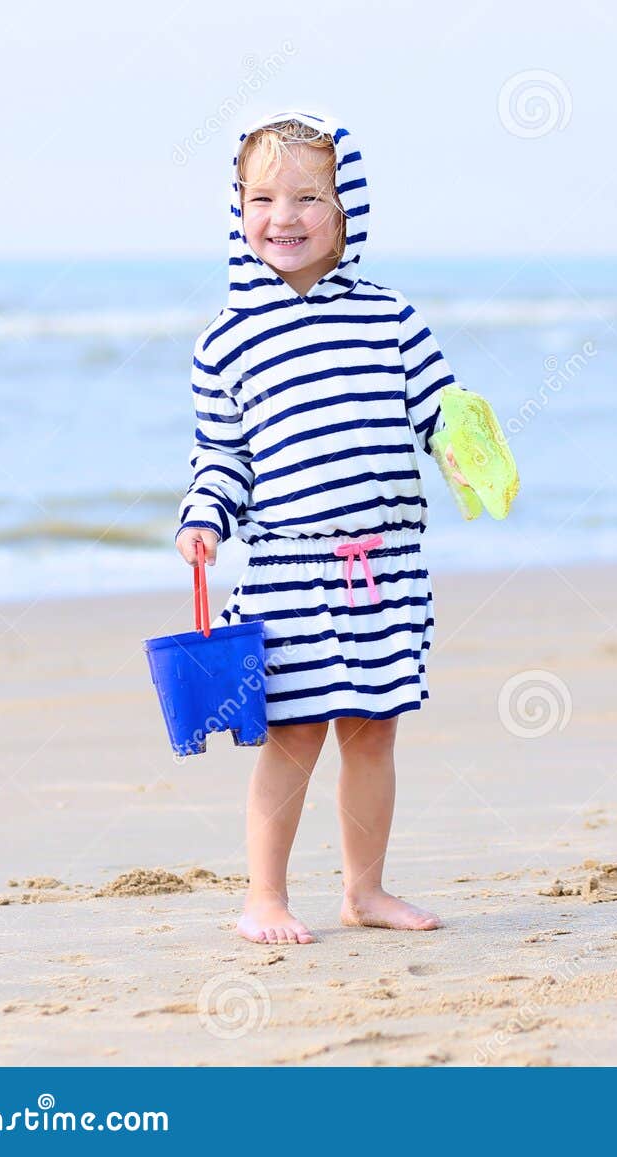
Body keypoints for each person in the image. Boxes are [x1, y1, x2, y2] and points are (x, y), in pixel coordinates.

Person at [174, 108, 468, 945]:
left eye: (309, 196)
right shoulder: (227, 340)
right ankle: (264, 896)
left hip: (387, 567)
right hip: (289, 571)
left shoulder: (392, 319)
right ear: (238, 208)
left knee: (374, 731)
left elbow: (440, 413)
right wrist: (205, 520)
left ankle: (364, 889)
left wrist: (462, 448)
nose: (285, 216)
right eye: (263, 197)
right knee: (294, 733)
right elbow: (219, 454)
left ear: (349, 209)